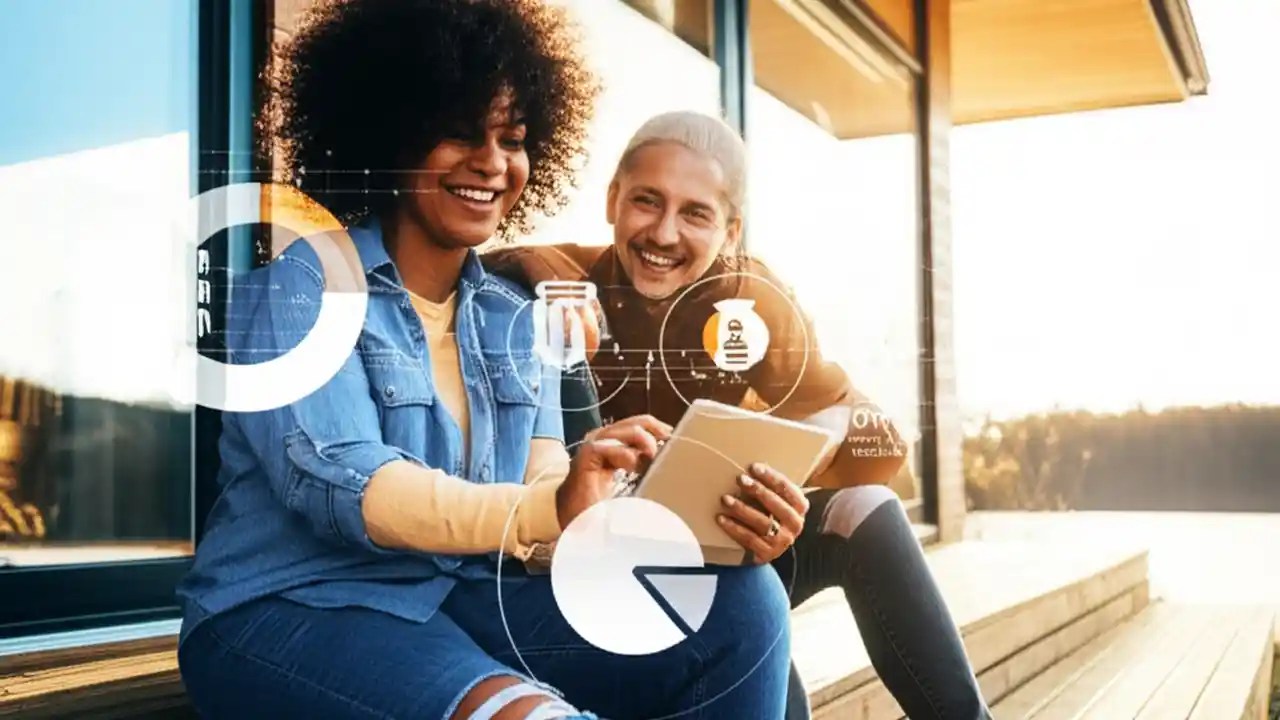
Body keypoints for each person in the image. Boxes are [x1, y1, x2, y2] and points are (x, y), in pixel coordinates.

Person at [177, 5, 793, 719]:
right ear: (393, 132)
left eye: (513, 139)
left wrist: (687, 521)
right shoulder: (304, 286)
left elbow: (545, 488)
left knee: (738, 603)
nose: (493, 163)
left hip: (459, 599)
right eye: (460, 132)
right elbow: (353, 489)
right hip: (295, 607)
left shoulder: (512, 317)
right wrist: (550, 506)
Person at [485, 111, 993, 720]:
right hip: (582, 580)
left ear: (730, 232)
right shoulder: (545, 283)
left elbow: (878, 443)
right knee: (747, 606)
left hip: (716, 556)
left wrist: (795, 466)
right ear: (613, 199)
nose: (664, 233)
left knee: (866, 510)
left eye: (695, 213)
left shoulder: (747, 302)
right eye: (647, 201)